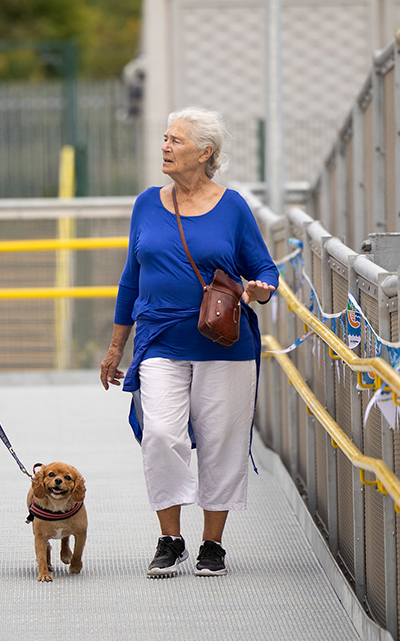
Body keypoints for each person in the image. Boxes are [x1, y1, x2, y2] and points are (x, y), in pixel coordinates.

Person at [99, 107, 277, 578]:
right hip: (159, 339)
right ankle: (170, 537)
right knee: (160, 432)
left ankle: (212, 545)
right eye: (164, 138)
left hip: (223, 342)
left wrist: (260, 288)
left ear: (205, 152)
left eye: (175, 140)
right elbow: (129, 279)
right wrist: (117, 347)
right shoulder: (146, 203)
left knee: (221, 441)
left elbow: (265, 268)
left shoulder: (233, 206)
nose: (165, 146)